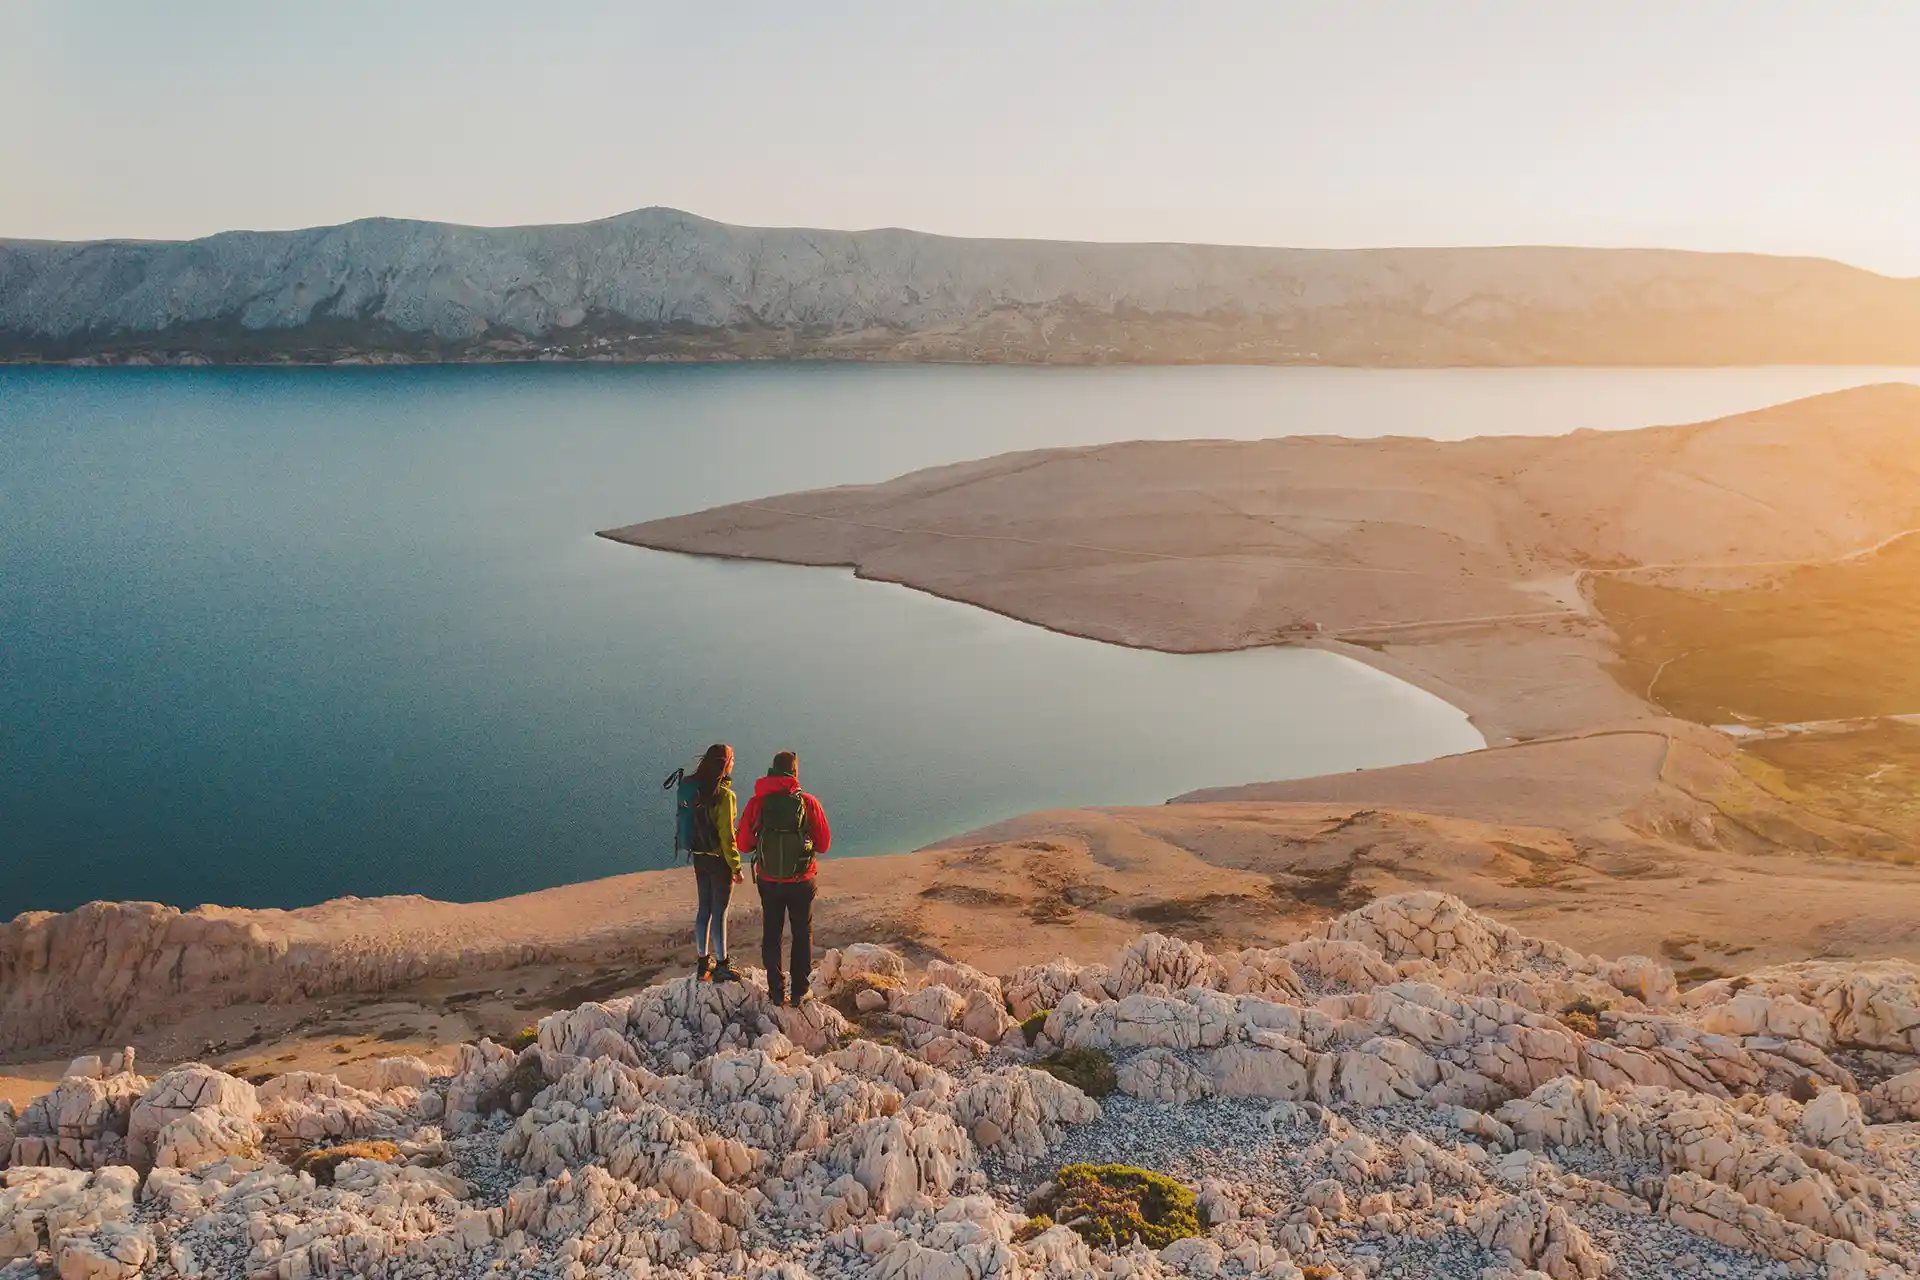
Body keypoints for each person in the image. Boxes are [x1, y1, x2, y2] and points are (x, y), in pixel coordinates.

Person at [735, 749, 831, 1005]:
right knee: (802, 932)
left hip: (769, 880)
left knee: (772, 933)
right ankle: (800, 990)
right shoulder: (808, 803)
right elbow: (824, 845)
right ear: (795, 773)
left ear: (772, 770)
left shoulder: (757, 804)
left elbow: (743, 844)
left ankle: (776, 991)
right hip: (802, 880)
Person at [687, 743, 743, 982]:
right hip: (719, 861)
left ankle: (702, 964)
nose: (734, 763)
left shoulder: (692, 790)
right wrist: (737, 867)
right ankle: (722, 964)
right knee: (719, 913)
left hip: (699, 857)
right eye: (732, 759)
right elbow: (728, 836)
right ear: (725, 764)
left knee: (704, 910)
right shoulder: (726, 796)